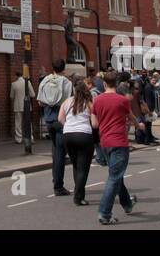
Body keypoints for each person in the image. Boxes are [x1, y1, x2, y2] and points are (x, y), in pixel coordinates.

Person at [92, 71, 137, 225]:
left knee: (117, 175)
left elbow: (94, 124)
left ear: (104, 84)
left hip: (105, 143)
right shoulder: (122, 100)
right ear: (117, 85)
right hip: (119, 142)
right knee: (114, 178)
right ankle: (104, 214)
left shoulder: (97, 100)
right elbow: (131, 117)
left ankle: (127, 204)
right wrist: (140, 126)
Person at [38, 59, 74, 196]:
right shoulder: (67, 83)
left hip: (48, 120)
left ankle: (56, 179)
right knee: (60, 153)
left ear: (52, 67)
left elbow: (40, 102)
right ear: (63, 68)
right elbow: (70, 102)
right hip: (60, 120)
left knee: (55, 151)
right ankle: (58, 187)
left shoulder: (45, 80)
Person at [59, 79, 96, 205]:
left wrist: (69, 127)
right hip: (84, 135)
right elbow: (95, 124)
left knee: (76, 165)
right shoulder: (89, 103)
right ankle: (78, 197)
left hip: (68, 135)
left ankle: (79, 194)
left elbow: (60, 118)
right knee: (83, 168)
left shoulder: (67, 101)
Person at [10, 72, 30, 143]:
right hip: (27, 106)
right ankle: (31, 137)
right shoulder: (28, 83)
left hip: (17, 105)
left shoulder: (13, 84)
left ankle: (19, 139)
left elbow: (11, 96)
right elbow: (33, 94)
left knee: (18, 123)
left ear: (16, 76)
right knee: (28, 122)